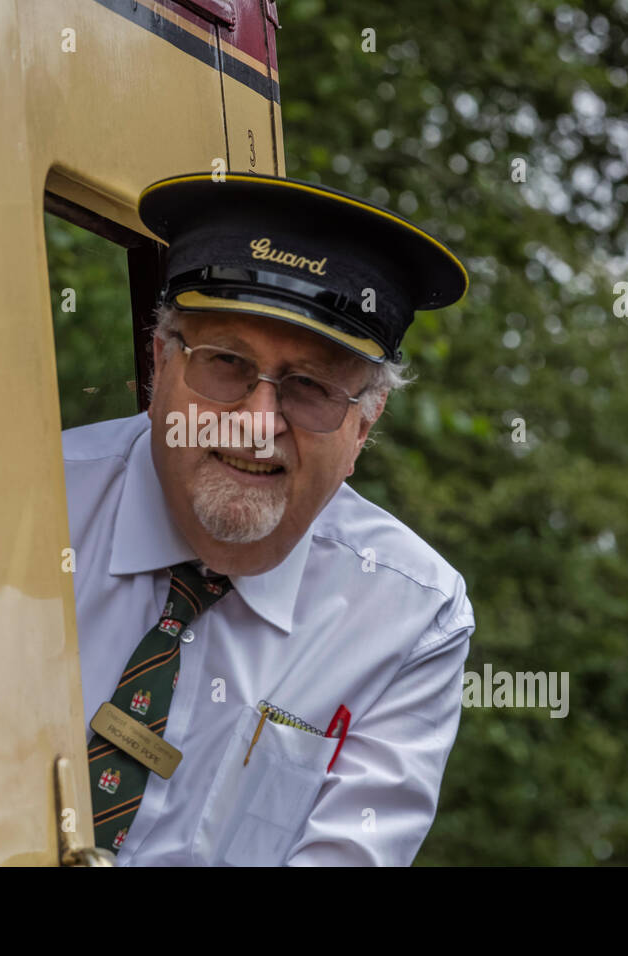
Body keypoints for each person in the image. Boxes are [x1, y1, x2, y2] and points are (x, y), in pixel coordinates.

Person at [63, 172, 475, 865]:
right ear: (159, 363)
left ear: (364, 426)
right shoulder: (31, 498)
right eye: (226, 364)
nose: (258, 426)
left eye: (310, 389)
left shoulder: (410, 617)